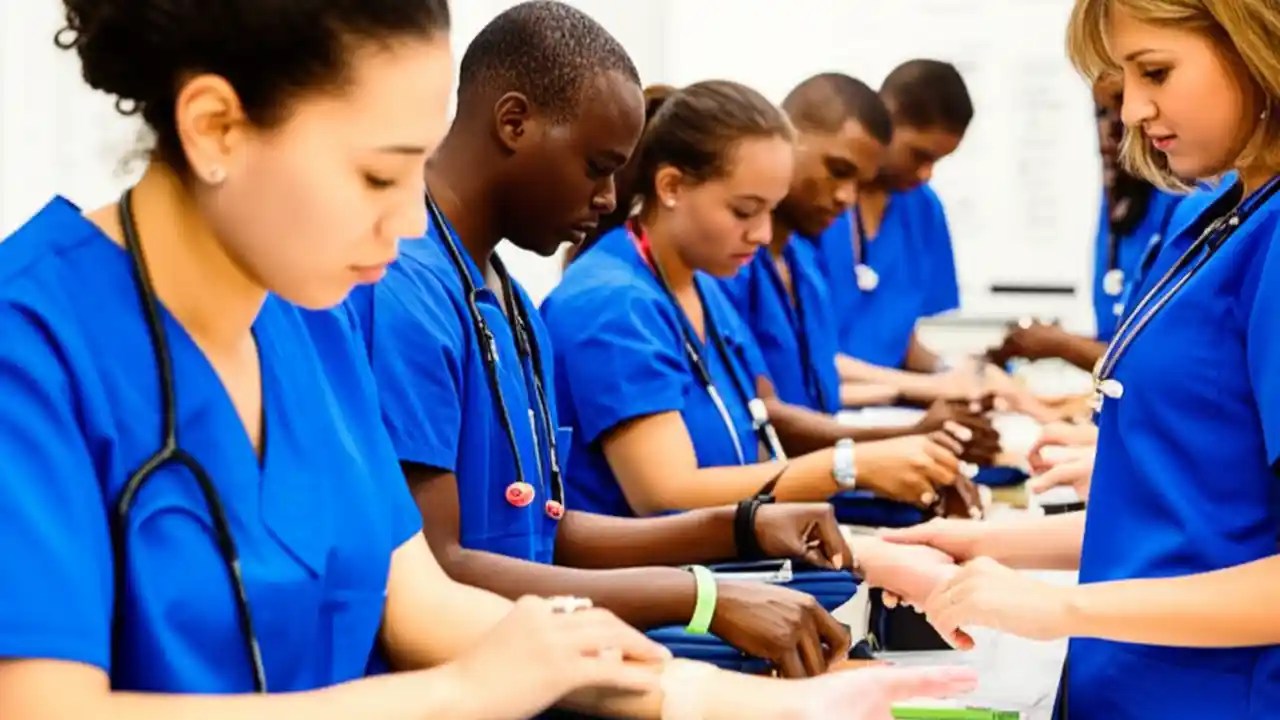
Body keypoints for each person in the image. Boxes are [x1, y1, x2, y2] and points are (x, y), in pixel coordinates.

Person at [0, 1, 983, 718]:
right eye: (379, 174)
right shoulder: (33, 341)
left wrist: (728, 702)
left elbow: (417, 597)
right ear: (216, 126)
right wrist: (466, 693)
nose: (401, 224)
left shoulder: (308, 320)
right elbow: (43, 706)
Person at [346, 2, 919, 679]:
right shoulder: (405, 290)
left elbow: (540, 534)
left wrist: (743, 526)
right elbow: (440, 569)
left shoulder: (508, 305)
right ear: (513, 122)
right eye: (598, 166)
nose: (608, 197)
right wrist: (703, 594)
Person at [885, 1, 1280, 716]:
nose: (1131, 110)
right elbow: (1192, 519)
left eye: (1155, 71)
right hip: (1117, 684)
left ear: (1256, 40)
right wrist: (985, 544)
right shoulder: (1216, 210)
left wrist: (1057, 610)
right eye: (1118, 82)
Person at [542, 80, 970, 521]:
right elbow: (666, 494)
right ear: (670, 186)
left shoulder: (704, 289)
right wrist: (848, 466)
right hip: (646, 581)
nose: (763, 234)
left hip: (723, 560)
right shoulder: (611, 304)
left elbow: (760, 432)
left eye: (771, 209)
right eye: (745, 212)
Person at [720, 73, 1000, 466]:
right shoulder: (728, 266)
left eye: (860, 182)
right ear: (783, 141)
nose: (846, 197)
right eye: (837, 170)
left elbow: (819, 399)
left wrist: (949, 383)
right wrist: (909, 429)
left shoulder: (804, 271)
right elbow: (763, 417)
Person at [813, 61, 1055, 419]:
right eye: (920, 155)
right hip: (826, 412)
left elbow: (905, 337)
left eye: (939, 161)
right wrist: (926, 387)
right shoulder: (816, 208)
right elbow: (801, 358)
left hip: (888, 408)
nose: (926, 174)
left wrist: (965, 375)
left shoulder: (923, 208)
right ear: (884, 119)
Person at [989, 72, 1187, 371]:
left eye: (1120, 114)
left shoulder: (1189, 205)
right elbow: (1117, 337)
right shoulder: (1117, 202)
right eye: (1101, 113)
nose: (1108, 131)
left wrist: (1061, 344)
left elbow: (1161, 364)